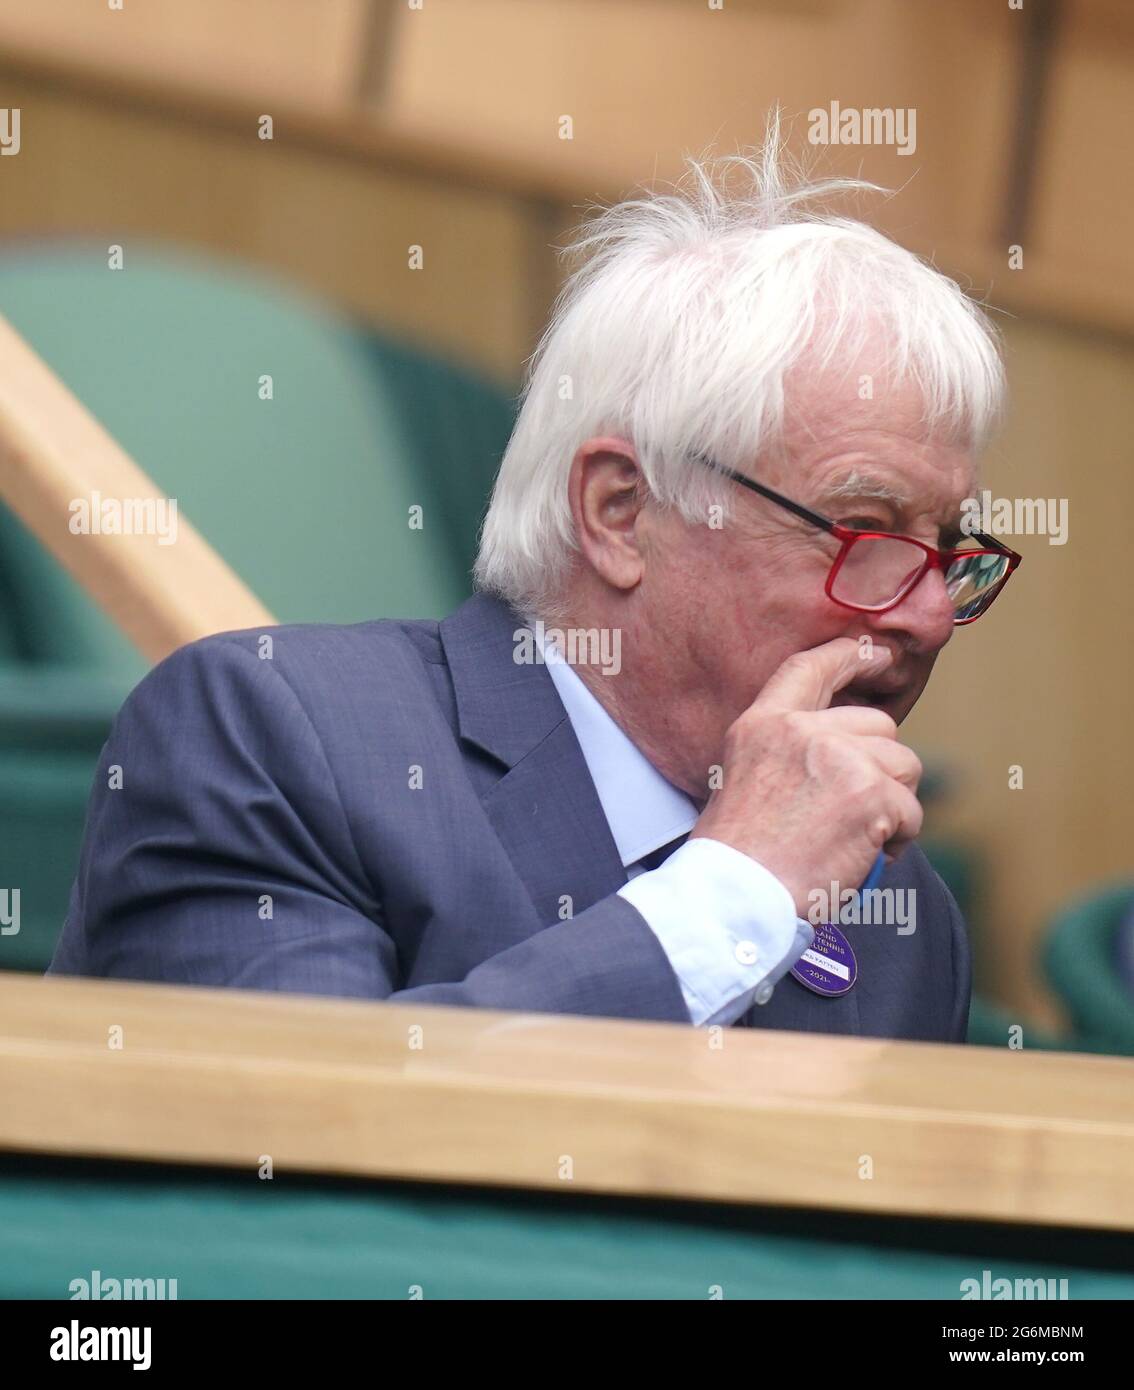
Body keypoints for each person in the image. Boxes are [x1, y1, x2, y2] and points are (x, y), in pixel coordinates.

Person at [49, 125, 1020, 1041]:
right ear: (619, 513)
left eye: (947, 550)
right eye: (863, 532)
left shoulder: (895, 900)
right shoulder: (276, 740)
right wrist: (733, 895)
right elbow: (293, 1138)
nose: (931, 614)